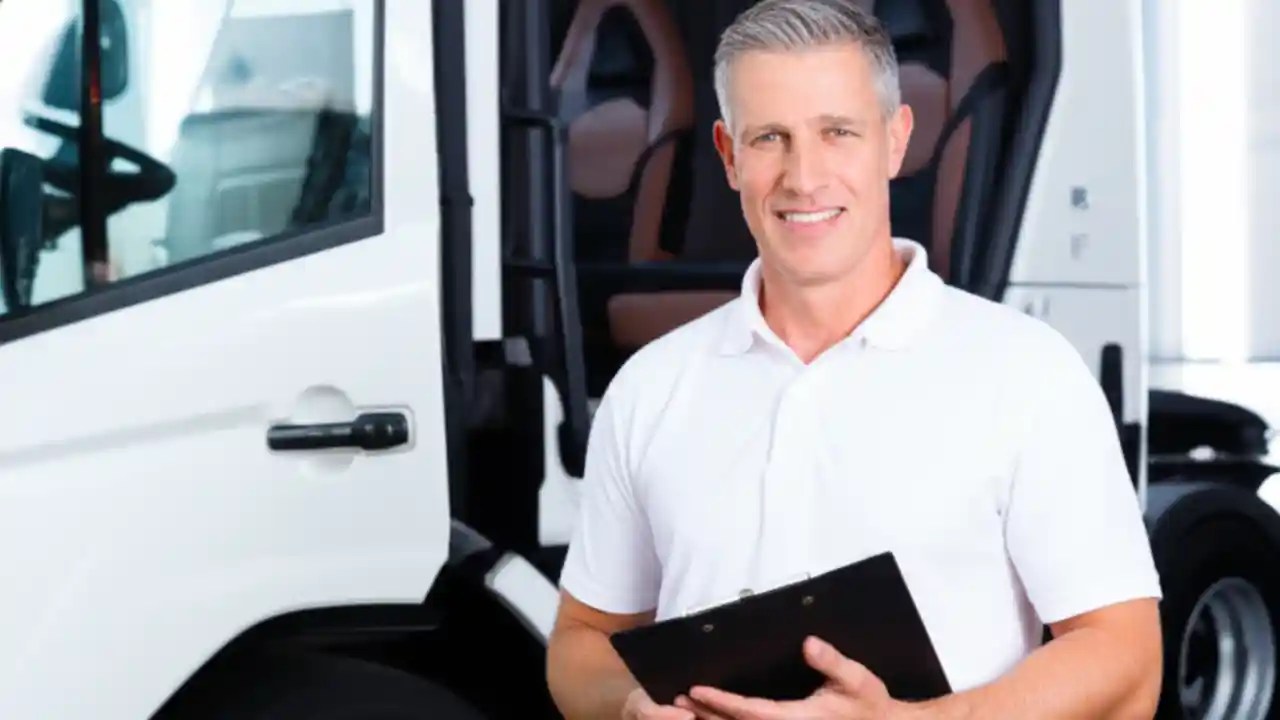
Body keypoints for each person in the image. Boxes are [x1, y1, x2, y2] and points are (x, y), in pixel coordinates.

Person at [545, 1, 1164, 718]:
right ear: (728, 155)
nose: (804, 178)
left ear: (895, 141)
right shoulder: (652, 387)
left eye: (836, 133)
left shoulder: (1028, 375)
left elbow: (1125, 658)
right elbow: (581, 643)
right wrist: (627, 707)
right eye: (770, 138)